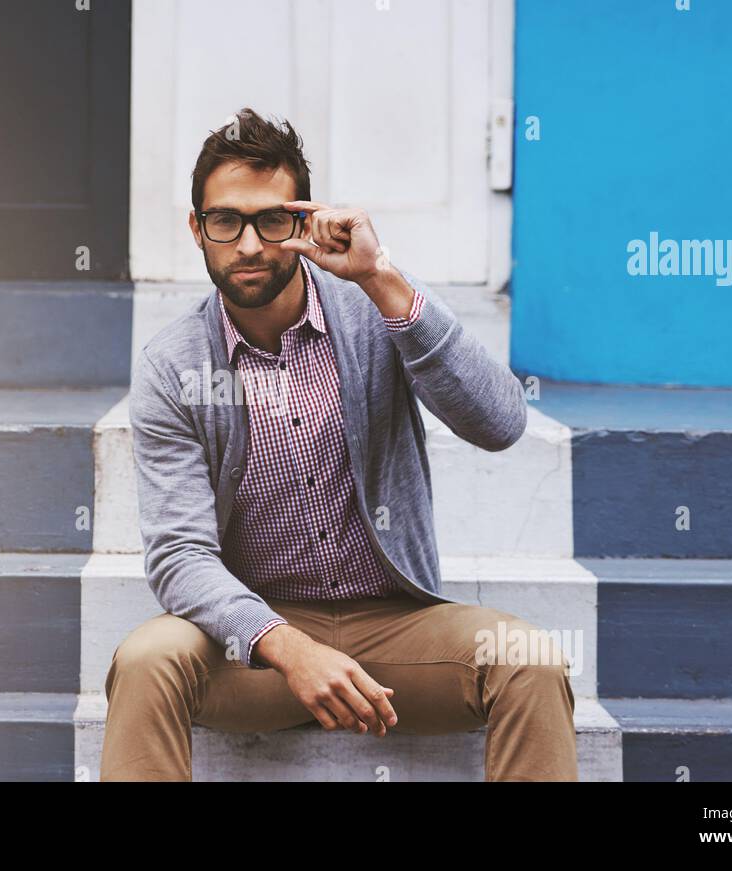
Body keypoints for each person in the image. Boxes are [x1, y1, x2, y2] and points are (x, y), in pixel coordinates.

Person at [101, 107, 577, 781]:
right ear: (196, 229)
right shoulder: (173, 365)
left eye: (272, 219)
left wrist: (383, 277)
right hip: (252, 649)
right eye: (225, 220)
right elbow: (180, 555)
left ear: (301, 223)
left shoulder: (370, 310)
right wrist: (287, 646)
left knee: (531, 660)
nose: (247, 245)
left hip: (394, 631)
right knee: (147, 661)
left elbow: (501, 423)